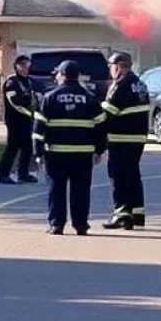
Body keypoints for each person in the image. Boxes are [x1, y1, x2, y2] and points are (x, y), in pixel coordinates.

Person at [32, 60, 107, 236]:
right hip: (82, 153)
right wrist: (99, 150)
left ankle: (56, 225)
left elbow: (38, 130)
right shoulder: (90, 98)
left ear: (62, 75)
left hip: (56, 153)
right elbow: (101, 128)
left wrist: (38, 153)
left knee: (56, 189)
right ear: (78, 76)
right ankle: (80, 225)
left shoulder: (49, 98)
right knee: (80, 190)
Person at [100, 51, 151, 230]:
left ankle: (121, 214)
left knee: (118, 176)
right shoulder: (140, 84)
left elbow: (108, 113)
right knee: (133, 175)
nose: (110, 71)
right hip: (138, 138)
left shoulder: (119, 85)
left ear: (119, 66)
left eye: (112, 67)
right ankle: (137, 214)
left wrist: (97, 133)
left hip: (120, 137)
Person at [0, 54, 38, 185]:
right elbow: (14, 102)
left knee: (28, 147)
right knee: (12, 147)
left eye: (27, 65)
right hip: (14, 120)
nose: (24, 68)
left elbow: (33, 99)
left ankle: (23, 173)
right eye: (22, 65)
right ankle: (3, 175)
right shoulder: (11, 82)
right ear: (16, 66)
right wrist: (29, 113)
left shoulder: (29, 82)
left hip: (27, 120)